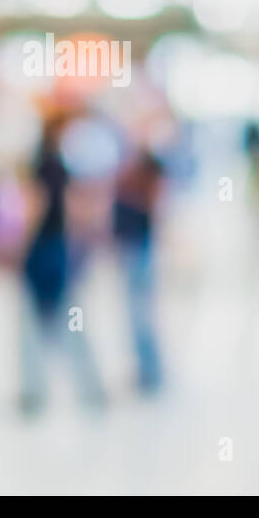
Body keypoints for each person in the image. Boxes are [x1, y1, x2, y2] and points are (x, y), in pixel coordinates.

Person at [19, 112, 105, 414]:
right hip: (55, 248)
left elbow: (36, 207)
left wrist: (20, 245)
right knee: (70, 319)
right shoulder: (60, 167)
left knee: (32, 322)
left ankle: (34, 390)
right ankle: (91, 387)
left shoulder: (44, 166)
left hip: (42, 249)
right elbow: (69, 209)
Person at [113, 146, 165, 393]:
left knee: (139, 315)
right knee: (137, 315)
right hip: (134, 251)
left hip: (138, 253)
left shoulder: (141, 186)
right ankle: (147, 370)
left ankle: (150, 371)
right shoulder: (132, 184)